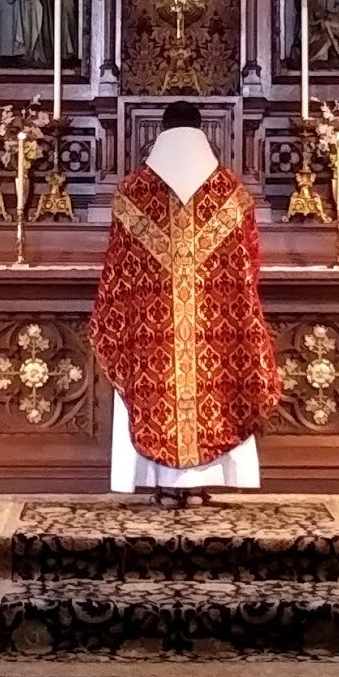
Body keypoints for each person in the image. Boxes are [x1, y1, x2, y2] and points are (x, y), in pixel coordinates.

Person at [89, 101, 282, 508]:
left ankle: (159, 483)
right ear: (201, 132)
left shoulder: (133, 191)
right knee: (216, 385)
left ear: (161, 133)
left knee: (153, 386)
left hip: (150, 332)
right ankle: (202, 482)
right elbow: (251, 261)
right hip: (216, 326)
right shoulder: (230, 191)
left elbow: (116, 268)